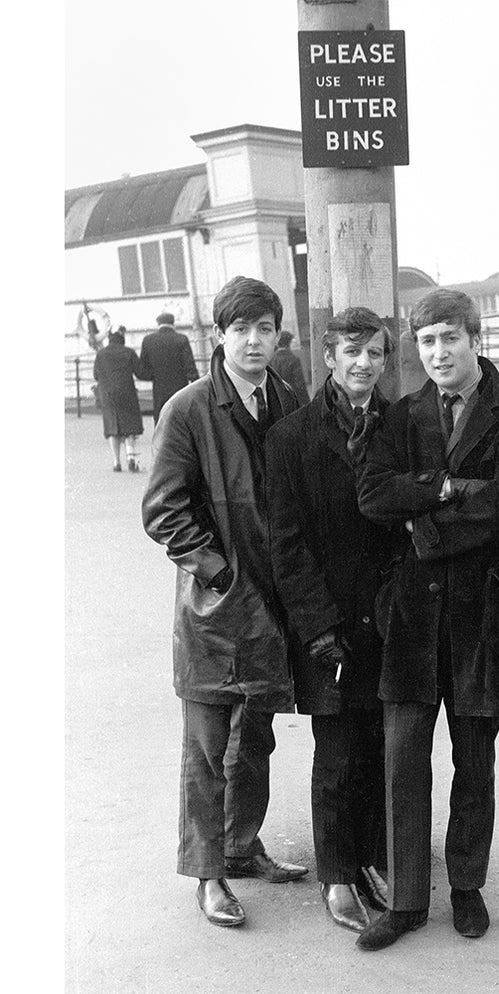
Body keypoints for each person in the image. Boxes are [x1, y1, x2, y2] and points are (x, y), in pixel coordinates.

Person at [354, 288, 499, 951]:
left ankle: (466, 886)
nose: (438, 352)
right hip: (410, 618)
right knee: (403, 760)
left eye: (449, 338)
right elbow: (373, 494)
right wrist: (445, 488)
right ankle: (406, 900)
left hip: (481, 617)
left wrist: (424, 523)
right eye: (427, 340)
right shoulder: (402, 415)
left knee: (474, 763)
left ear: (476, 337)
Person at [141, 276, 308, 930]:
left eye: (264, 328)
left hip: (272, 605)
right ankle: (208, 873)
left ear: (276, 334)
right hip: (215, 610)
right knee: (208, 745)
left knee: (255, 738)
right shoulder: (187, 409)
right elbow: (163, 510)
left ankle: (242, 846)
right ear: (220, 336)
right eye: (240, 329)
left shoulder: (288, 400)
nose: (253, 340)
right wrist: (217, 571)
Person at [266, 307, 395, 933]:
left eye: (374, 352)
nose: (363, 363)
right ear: (328, 357)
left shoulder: (400, 427)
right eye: (351, 351)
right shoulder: (290, 438)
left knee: (379, 746)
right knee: (337, 753)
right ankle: (337, 875)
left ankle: (371, 857)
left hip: (391, 621)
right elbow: (285, 545)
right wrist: (318, 630)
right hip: (330, 628)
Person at [93, 327, 145, 472]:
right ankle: (130, 457)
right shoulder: (128, 352)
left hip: (108, 396)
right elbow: (140, 372)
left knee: (112, 428)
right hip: (127, 393)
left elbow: (96, 375)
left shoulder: (101, 354)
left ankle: (116, 462)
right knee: (129, 427)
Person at [138, 312, 199, 421]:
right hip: (180, 387)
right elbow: (190, 367)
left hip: (159, 388)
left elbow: (143, 371)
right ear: (173, 323)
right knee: (181, 420)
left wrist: (155, 375)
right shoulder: (181, 339)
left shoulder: (148, 340)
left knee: (162, 419)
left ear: (158, 324)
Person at [269, 330, 311, 405]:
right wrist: (307, 403)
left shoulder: (271, 360)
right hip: (292, 400)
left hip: (276, 401)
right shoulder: (294, 360)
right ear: (289, 343)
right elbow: (300, 384)